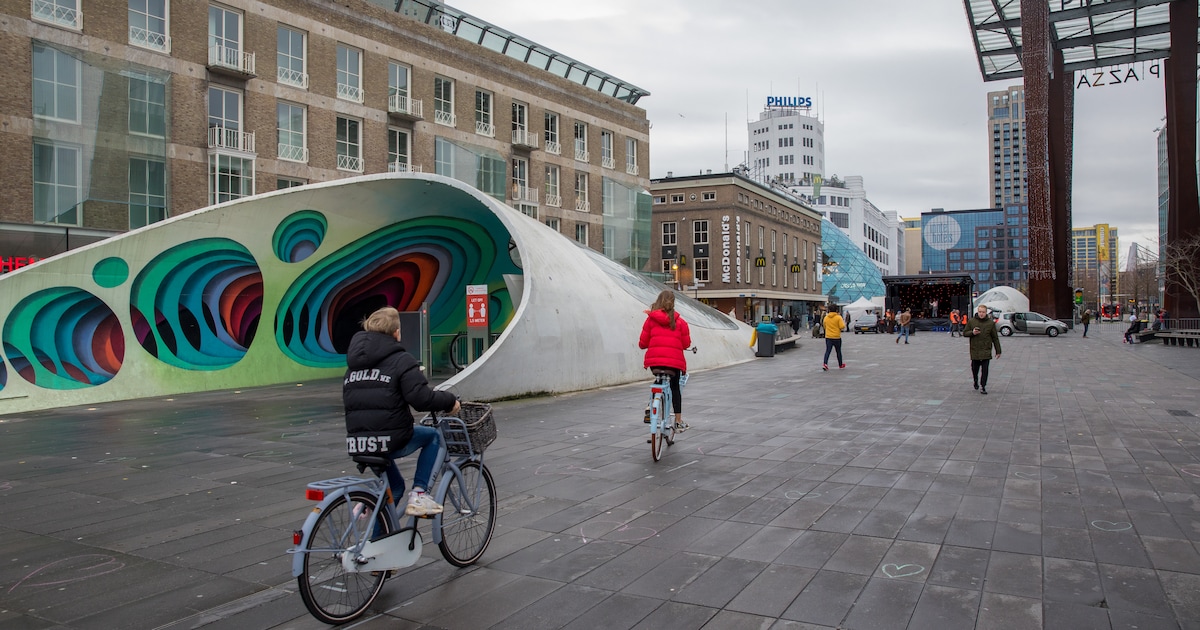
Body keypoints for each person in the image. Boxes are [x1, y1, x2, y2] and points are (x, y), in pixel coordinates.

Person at [343, 306, 461, 516]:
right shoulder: (401, 359)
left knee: (394, 490)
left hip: (359, 442)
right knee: (433, 436)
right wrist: (450, 401)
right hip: (390, 438)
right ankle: (419, 493)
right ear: (396, 332)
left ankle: (373, 541)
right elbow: (421, 398)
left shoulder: (353, 365)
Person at [639, 290, 692, 432]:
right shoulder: (680, 322)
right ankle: (678, 421)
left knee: (659, 379)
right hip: (673, 364)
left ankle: (650, 407)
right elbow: (686, 344)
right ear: (673, 303)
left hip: (654, 363)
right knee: (675, 388)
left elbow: (642, 343)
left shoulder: (650, 319)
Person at [963, 304, 1002, 395]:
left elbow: (995, 338)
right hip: (975, 350)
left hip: (986, 350)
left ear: (986, 313)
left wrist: (998, 351)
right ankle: (975, 380)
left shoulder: (990, 323)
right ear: (978, 311)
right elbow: (965, 333)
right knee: (974, 369)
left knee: (985, 370)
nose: (981, 314)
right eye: (980, 312)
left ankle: (983, 386)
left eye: (983, 312)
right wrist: (972, 332)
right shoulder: (972, 321)